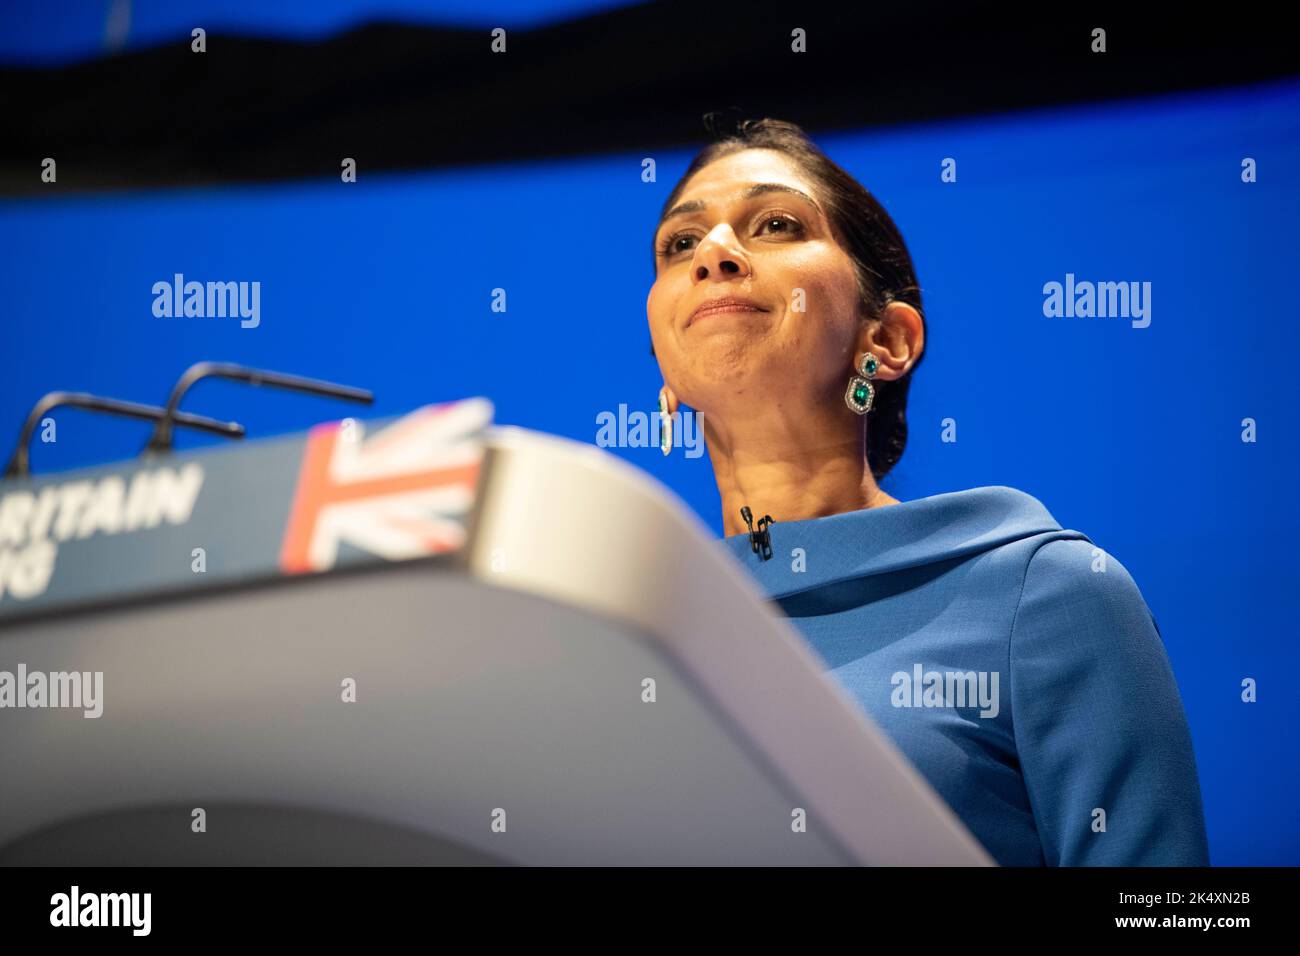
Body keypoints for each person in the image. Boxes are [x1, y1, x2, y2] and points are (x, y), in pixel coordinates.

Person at [644, 116, 1209, 866]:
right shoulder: (631, 632)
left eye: (775, 224)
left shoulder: (1045, 596)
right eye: (681, 244)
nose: (714, 253)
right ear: (665, 366)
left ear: (888, 342)